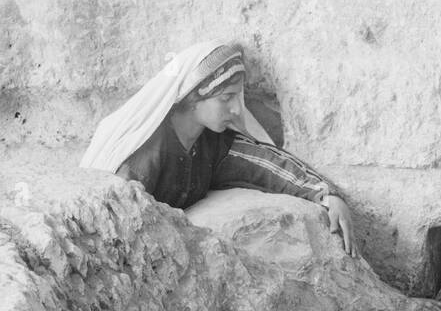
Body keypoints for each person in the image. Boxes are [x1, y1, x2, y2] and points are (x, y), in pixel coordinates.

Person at [80, 39, 357, 255]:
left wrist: (327, 195)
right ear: (192, 98)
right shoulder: (146, 155)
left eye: (238, 96)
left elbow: (266, 165)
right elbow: (124, 226)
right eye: (226, 98)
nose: (237, 109)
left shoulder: (212, 142)